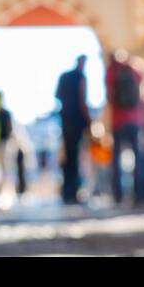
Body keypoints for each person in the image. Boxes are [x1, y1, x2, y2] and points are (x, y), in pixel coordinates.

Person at [105, 50, 144, 205]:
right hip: (136, 120)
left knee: (116, 160)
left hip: (118, 121)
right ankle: (140, 195)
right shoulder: (136, 69)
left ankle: (118, 195)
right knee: (139, 158)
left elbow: (109, 97)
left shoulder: (111, 71)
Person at [54, 55, 91, 203]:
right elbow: (83, 101)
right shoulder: (80, 77)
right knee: (74, 158)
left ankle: (67, 191)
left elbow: (57, 95)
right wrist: (88, 121)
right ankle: (73, 191)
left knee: (68, 158)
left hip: (65, 122)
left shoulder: (64, 77)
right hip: (76, 123)